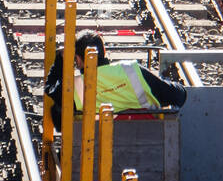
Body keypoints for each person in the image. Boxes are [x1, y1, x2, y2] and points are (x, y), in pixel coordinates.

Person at [45, 32, 187, 126]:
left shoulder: (76, 86)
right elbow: (179, 96)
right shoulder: (131, 70)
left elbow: (50, 88)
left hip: (92, 155)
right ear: (104, 52)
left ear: (78, 59)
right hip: (146, 147)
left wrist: (60, 60)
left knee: (57, 111)